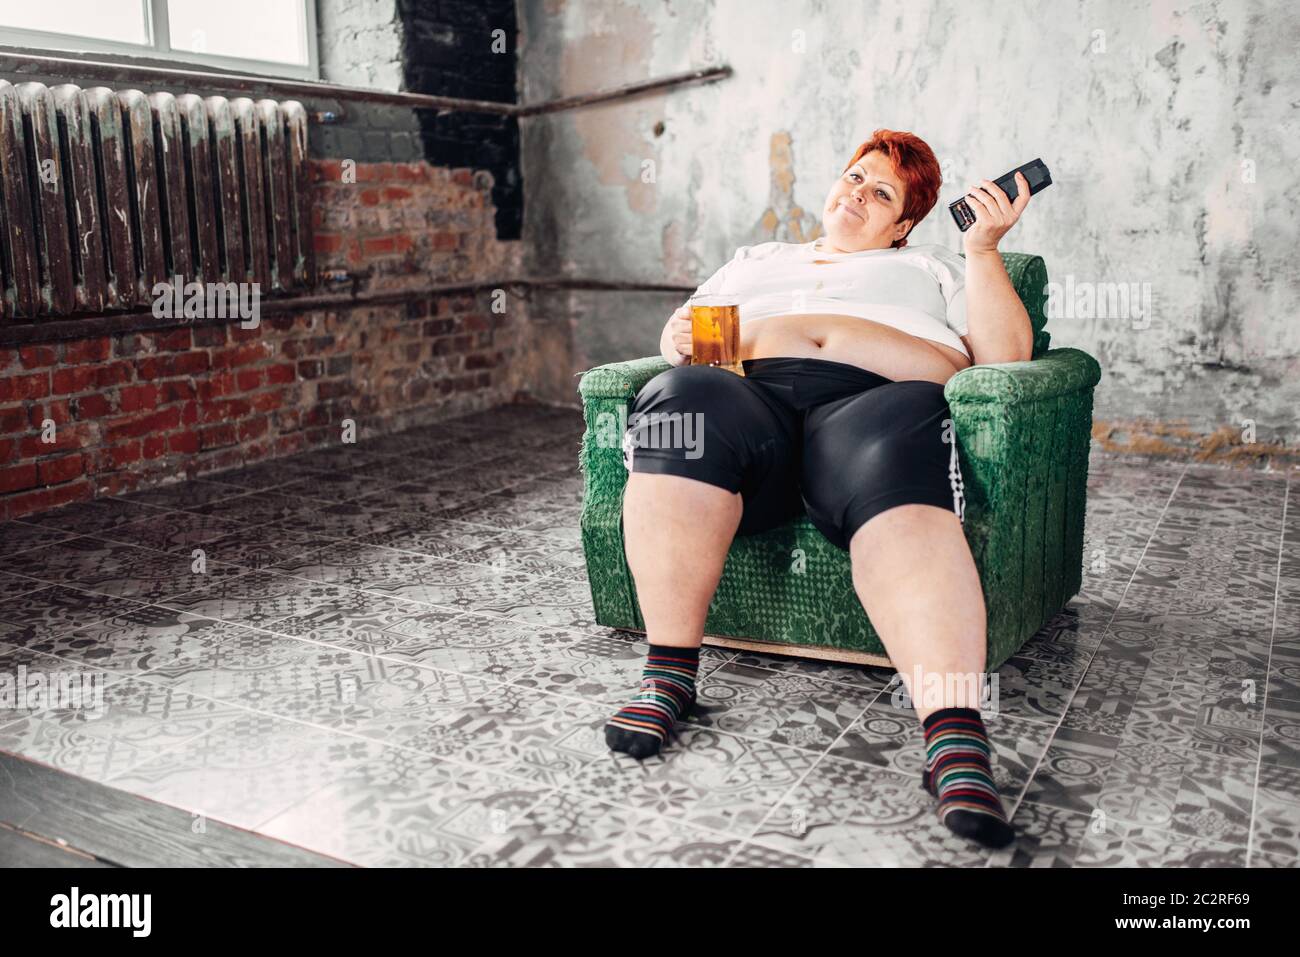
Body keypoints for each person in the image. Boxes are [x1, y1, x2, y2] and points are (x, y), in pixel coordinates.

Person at [605, 129, 1034, 850]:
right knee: (677, 404)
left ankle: (955, 736)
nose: (857, 194)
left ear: (903, 225)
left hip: (877, 401)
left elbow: (1003, 356)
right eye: (854, 177)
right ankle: (669, 676)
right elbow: (676, 336)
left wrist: (983, 250)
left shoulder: (933, 267)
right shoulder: (757, 260)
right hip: (747, 403)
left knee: (902, 479)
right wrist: (676, 341)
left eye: (883, 192)